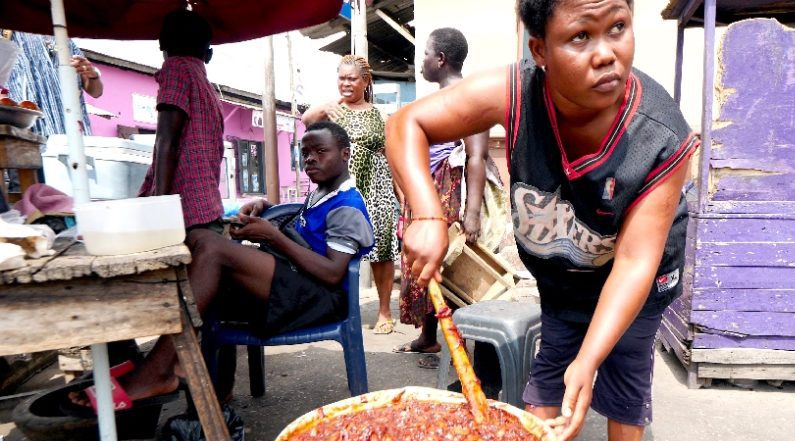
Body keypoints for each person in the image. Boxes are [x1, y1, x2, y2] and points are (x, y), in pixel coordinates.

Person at [385, 2, 698, 441]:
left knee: (624, 370)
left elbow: (634, 263)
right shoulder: (516, 92)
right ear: (540, 52)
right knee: (554, 361)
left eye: (617, 28)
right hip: (562, 270)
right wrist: (428, 213)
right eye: (580, 37)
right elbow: (407, 122)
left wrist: (591, 358)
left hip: (637, 273)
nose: (606, 54)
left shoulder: (662, 137)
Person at [71, 120, 373, 408]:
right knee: (206, 262)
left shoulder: (347, 206)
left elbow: (333, 274)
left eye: (321, 152)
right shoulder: (323, 191)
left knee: (211, 247)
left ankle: (158, 372)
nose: (311, 159)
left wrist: (274, 237)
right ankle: (209, 383)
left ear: (345, 154)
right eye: (305, 152)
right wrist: (267, 209)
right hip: (295, 284)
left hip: (318, 298)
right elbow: (306, 227)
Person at [393, 27, 508, 365]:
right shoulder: (432, 101)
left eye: (425, 55)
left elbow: (475, 157)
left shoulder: (469, 97)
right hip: (429, 193)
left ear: (440, 59)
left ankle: (455, 354)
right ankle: (429, 338)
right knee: (425, 262)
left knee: (449, 268)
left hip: (451, 194)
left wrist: (471, 214)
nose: (420, 64)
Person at [303, 55, 399, 335]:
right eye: (341, 78)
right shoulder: (330, 110)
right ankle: (338, 308)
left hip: (377, 186)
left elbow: (391, 154)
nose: (346, 83)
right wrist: (324, 106)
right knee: (335, 248)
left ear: (365, 81)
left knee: (382, 249)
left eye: (352, 78)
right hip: (341, 189)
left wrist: (400, 194)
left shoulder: (380, 114)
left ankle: (383, 311)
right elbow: (307, 120)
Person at [137, 9, 225, 233]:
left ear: (161, 45)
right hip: (207, 208)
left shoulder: (176, 69)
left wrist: (160, 208)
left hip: (184, 214)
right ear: (209, 55)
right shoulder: (209, 92)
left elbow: (166, 140)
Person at [3, 31, 103, 137]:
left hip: (72, 138)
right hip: (30, 138)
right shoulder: (8, 36)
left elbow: (96, 92)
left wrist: (93, 75)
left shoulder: (66, 42)